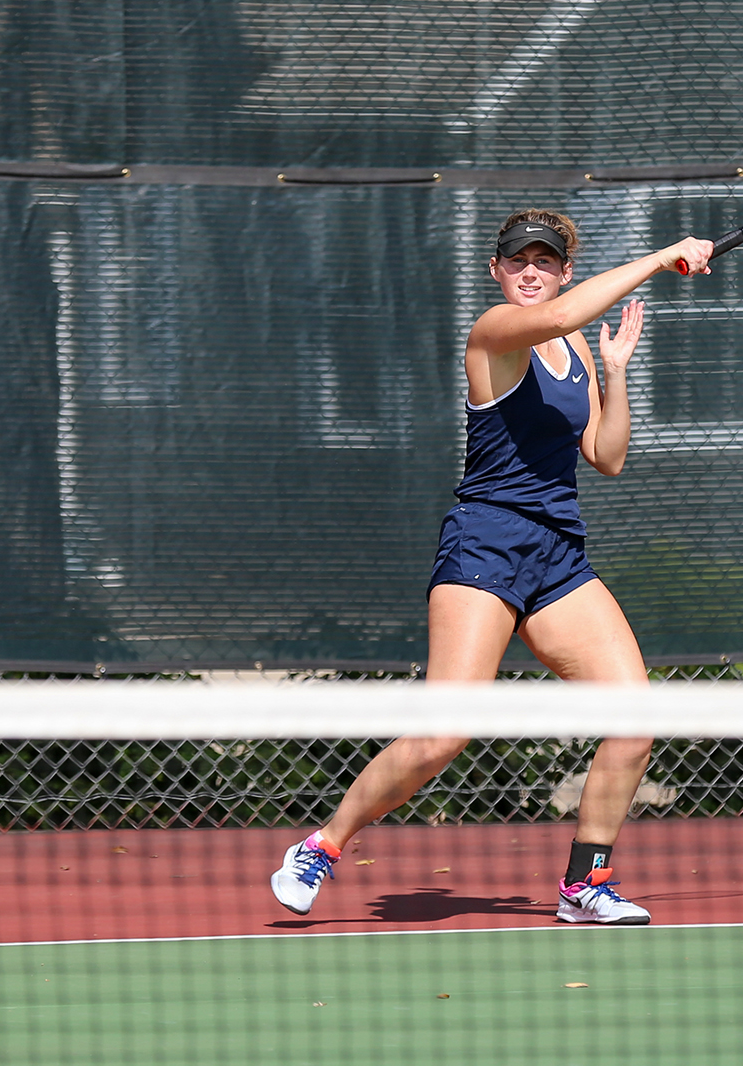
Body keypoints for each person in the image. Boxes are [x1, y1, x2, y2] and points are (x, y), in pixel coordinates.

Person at [271, 209, 715, 925]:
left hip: (557, 555)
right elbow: (567, 311)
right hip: (485, 543)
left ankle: (584, 885)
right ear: (497, 271)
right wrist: (665, 255)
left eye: (545, 261)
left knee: (635, 719)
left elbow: (607, 456)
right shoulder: (495, 332)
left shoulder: (572, 339)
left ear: (564, 269)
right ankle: (322, 846)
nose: (531, 272)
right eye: (518, 262)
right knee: (444, 734)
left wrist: (614, 372)